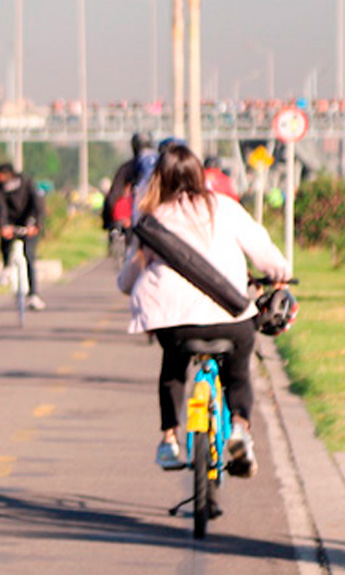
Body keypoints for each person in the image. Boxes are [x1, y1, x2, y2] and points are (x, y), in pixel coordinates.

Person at [116, 141, 292, 480]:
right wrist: (280, 275)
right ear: (200, 174)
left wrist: (128, 283)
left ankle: (169, 440)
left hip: (174, 322)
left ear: (159, 178)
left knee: (172, 370)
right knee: (238, 373)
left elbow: (128, 279)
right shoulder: (223, 207)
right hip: (230, 316)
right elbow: (264, 252)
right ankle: (240, 429)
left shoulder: (152, 217)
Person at [0, 162, 47, 310]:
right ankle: (6, 267)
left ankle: (33, 294)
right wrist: (4, 226)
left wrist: (35, 224)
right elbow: (1, 209)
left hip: (29, 222)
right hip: (11, 222)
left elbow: (37, 204)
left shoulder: (27, 183)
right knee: (5, 242)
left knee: (29, 256)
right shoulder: (0, 189)